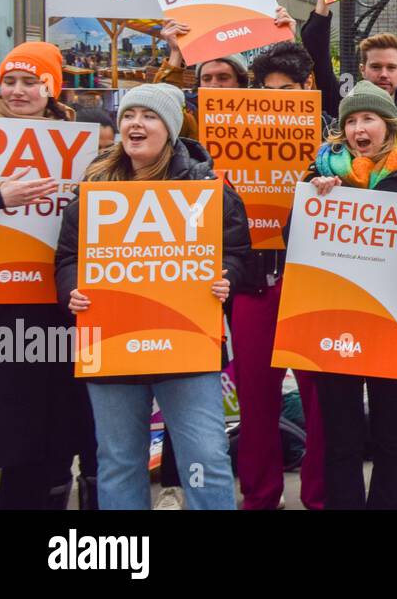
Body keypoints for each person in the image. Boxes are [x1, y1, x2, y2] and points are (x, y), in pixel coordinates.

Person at [56, 84, 251, 510]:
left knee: (206, 457)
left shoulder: (206, 185)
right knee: (119, 461)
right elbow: (69, 255)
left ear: (171, 128)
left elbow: (237, 253)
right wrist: (72, 289)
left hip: (186, 345)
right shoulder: (95, 184)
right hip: (113, 344)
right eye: (129, 115)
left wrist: (227, 278)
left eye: (148, 116)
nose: (135, 124)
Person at [295, 81, 397, 509]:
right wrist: (313, 203)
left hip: (392, 324)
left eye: (369, 119)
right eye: (352, 121)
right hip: (332, 322)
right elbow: (294, 245)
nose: (360, 128)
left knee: (392, 437)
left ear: (388, 126)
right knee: (340, 438)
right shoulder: (319, 174)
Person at [221, 41, 332, 511]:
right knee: (256, 398)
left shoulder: (334, 144)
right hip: (254, 283)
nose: (278, 99)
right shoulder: (229, 136)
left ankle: (320, 495)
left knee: (320, 400)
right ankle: (261, 495)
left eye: (287, 90)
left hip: (309, 283)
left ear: (308, 88)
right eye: (268, 90)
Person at [0, 43, 97, 510]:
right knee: (15, 426)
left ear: (50, 88)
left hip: (62, 302)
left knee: (63, 419)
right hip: (6, 307)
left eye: (29, 81)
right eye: (9, 80)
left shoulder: (83, 141)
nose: (18, 91)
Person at [303, 0, 397, 126]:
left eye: (391, 67)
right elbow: (316, 51)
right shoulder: (342, 106)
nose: (384, 74)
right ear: (362, 69)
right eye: (376, 67)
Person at [152, 9, 296, 139]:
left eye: (223, 77)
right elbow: (162, 104)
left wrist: (289, 46)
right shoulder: (192, 118)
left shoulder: (262, 114)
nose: (214, 84)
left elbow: (297, 105)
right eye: (206, 78)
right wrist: (176, 51)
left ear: (240, 82)